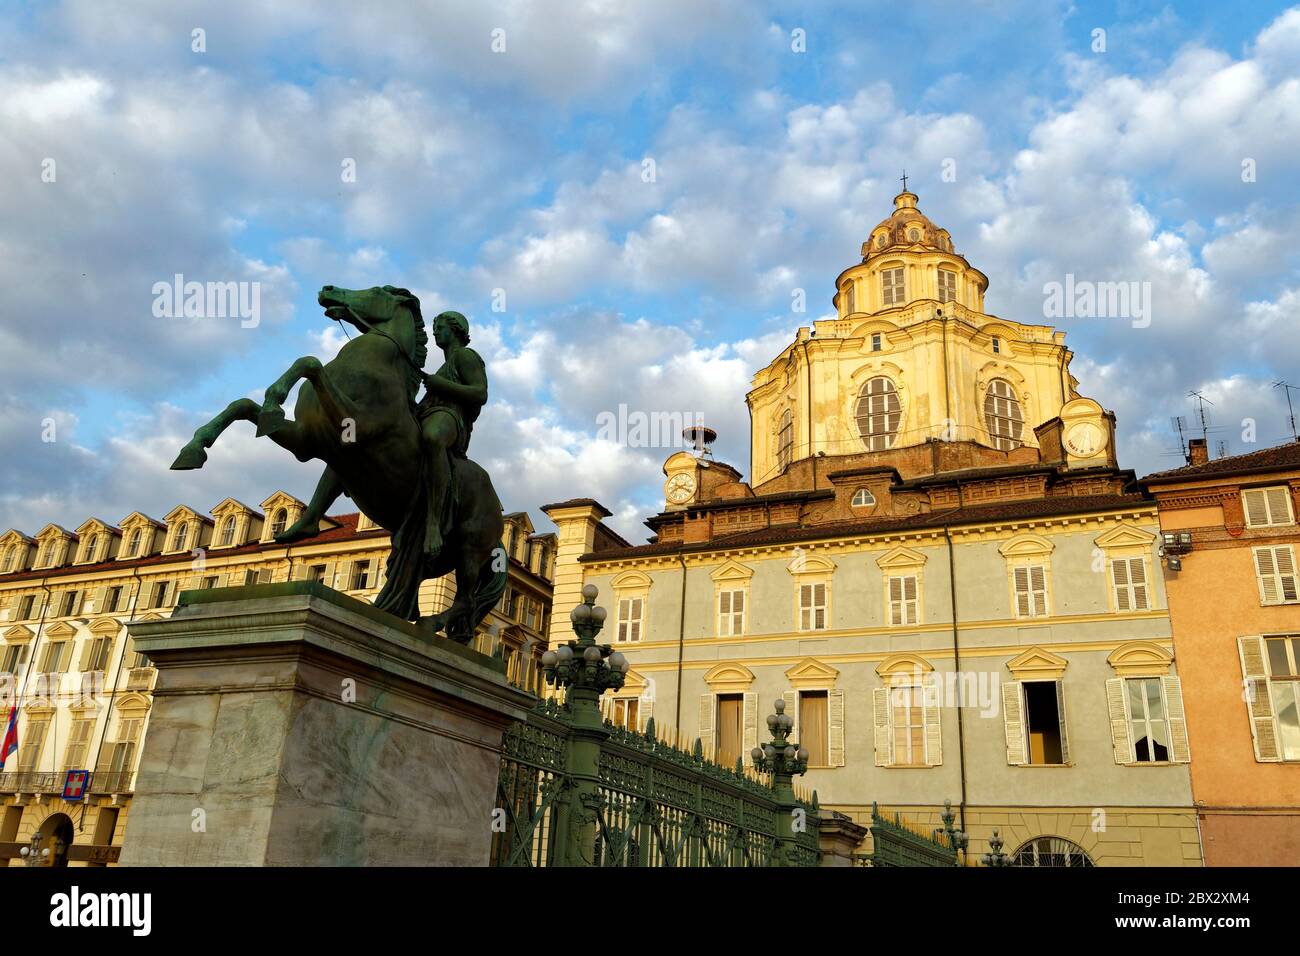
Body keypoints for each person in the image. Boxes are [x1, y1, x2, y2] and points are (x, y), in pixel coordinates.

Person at [416, 310, 488, 561]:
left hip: (452, 419)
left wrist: (440, 385)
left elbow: (480, 394)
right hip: (429, 414)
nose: (434, 331)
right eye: (434, 326)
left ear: (455, 329)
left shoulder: (465, 356)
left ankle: (434, 523)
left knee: (433, 437)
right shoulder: (444, 366)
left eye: (439, 326)